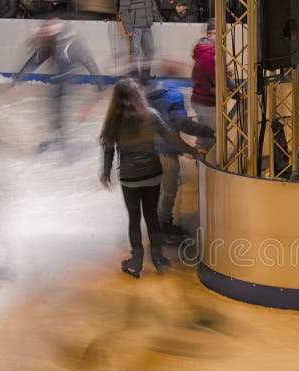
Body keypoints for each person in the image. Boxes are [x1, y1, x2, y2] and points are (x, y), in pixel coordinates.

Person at [99, 79, 205, 278]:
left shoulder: (115, 122)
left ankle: (136, 259)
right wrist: (192, 150)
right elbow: (171, 138)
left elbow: (108, 150)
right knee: (152, 216)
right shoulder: (151, 115)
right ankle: (158, 258)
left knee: (134, 219)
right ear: (138, 97)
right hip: (152, 174)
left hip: (130, 178)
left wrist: (105, 173)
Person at [14, 19, 104, 151]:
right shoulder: (49, 44)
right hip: (58, 77)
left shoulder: (71, 44)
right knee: (53, 107)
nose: (41, 42)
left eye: (43, 37)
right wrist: (18, 79)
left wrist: (100, 84)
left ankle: (61, 141)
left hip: (70, 77)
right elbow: (34, 61)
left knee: (59, 107)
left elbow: (89, 62)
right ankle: (57, 137)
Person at [143, 77, 214, 242]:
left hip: (147, 150)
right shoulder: (173, 96)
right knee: (169, 191)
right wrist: (209, 132)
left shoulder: (148, 96)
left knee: (157, 190)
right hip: (165, 152)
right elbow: (183, 123)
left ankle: (158, 224)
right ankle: (164, 229)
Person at [191, 18, 240, 132]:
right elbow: (218, 78)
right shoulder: (209, 54)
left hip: (203, 99)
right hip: (206, 102)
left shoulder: (205, 49)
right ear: (210, 34)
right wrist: (236, 90)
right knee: (210, 137)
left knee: (206, 135)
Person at [120, 0, 162, 80]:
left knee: (150, 51)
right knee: (135, 52)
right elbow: (123, 10)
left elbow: (152, 4)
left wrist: (157, 17)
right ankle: (134, 77)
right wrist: (128, 29)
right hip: (135, 26)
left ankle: (145, 76)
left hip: (147, 26)